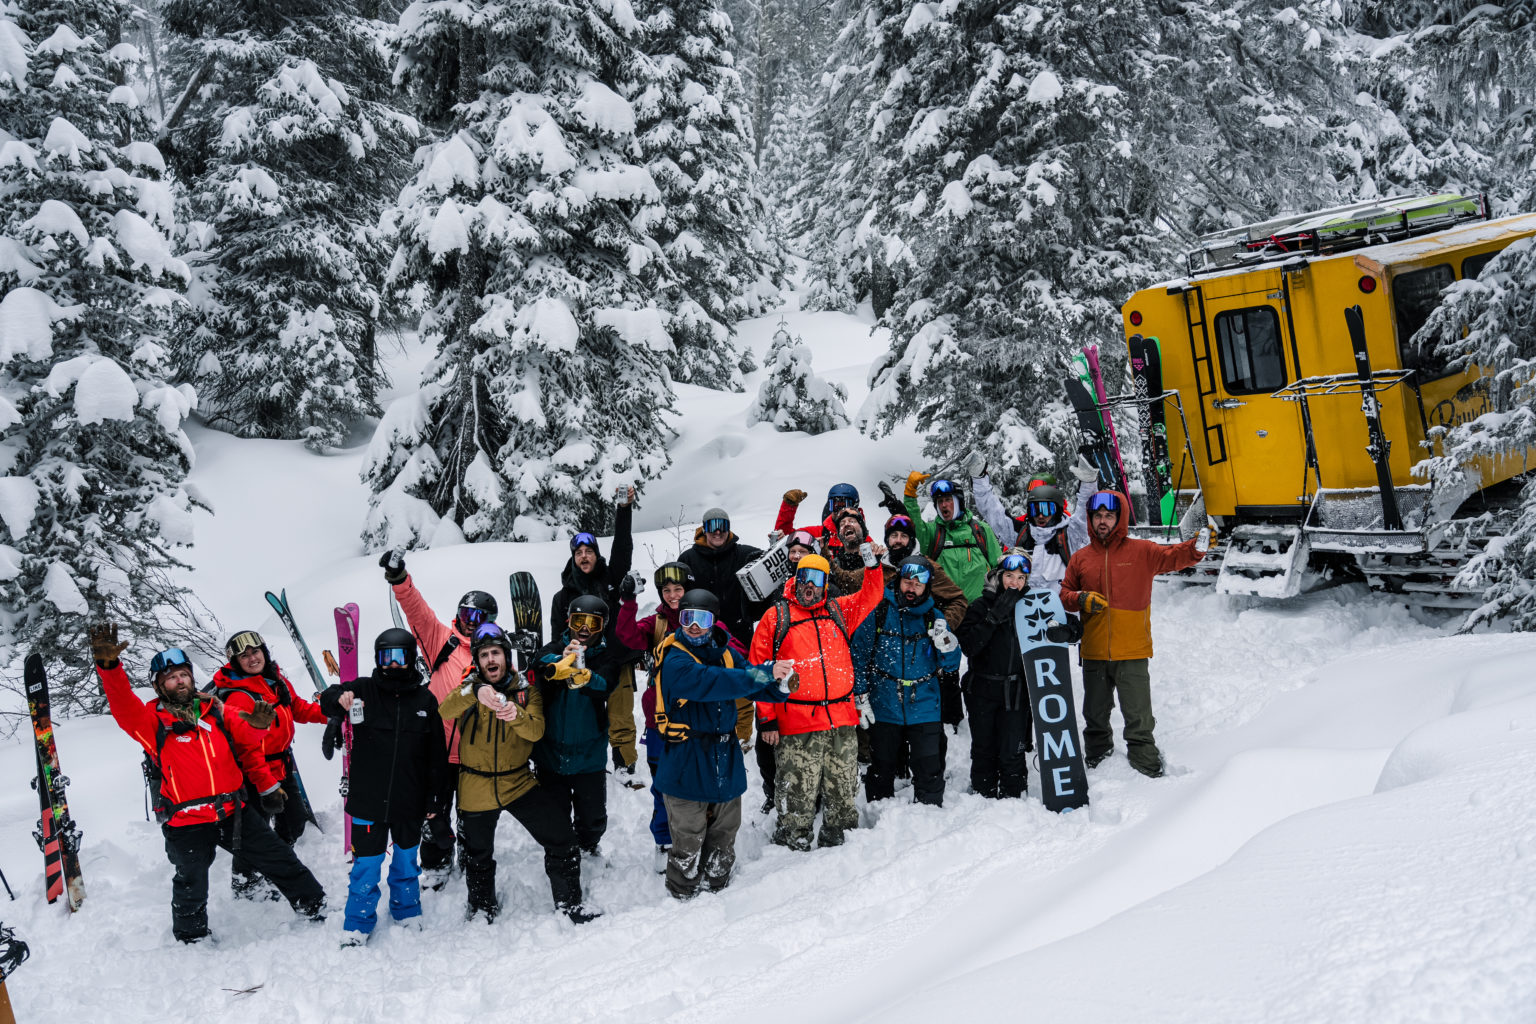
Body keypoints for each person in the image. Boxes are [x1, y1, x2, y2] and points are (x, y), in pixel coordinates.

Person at [89, 625, 325, 944]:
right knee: (191, 883)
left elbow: (246, 738)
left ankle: (315, 906)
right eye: (171, 678)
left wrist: (257, 726)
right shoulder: (150, 723)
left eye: (183, 674)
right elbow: (122, 704)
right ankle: (192, 937)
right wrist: (110, 669)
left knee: (280, 858)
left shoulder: (213, 711)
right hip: (186, 822)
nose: (180, 680)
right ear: (160, 686)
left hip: (233, 812)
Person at [438, 621, 596, 923]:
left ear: (506, 656)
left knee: (561, 838)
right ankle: (482, 908)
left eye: (495, 653)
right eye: (484, 656)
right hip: (475, 784)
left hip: (517, 781)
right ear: (477, 661)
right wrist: (476, 692)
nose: (490, 661)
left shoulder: (525, 690)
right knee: (477, 854)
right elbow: (445, 711)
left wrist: (515, 715)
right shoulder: (468, 688)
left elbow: (536, 731)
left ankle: (569, 905)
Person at [651, 590, 800, 898]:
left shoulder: (727, 652)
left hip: (724, 755)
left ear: (713, 621)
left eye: (701, 619)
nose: (693, 626)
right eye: (687, 618)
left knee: (724, 831)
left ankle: (719, 889)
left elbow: (746, 678)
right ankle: (681, 894)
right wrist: (764, 672)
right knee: (688, 836)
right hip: (687, 757)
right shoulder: (675, 658)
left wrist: (779, 684)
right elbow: (711, 681)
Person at [1060, 491, 1211, 777]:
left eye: (1108, 516)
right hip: (1093, 651)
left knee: (1138, 716)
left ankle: (1146, 767)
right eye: (1097, 516)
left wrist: (1196, 548)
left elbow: (1173, 557)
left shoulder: (1141, 551)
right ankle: (1097, 762)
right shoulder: (1081, 558)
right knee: (1094, 715)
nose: (1102, 521)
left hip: (1132, 651)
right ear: (1091, 520)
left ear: (1119, 519)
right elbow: (1065, 593)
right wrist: (1079, 598)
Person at [318, 628, 447, 945]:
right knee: (366, 866)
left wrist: (436, 798)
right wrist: (338, 700)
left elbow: (436, 756)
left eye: (399, 656)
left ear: (410, 658)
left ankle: (406, 911)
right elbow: (327, 699)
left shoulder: (425, 700)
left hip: (409, 802)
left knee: (406, 863)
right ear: (377, 659)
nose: (392, 663)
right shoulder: (363, 689)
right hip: (368, 800)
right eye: (385, 656)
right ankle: (358, 923)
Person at [750, 545, 884, 850]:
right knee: (797, 790)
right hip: (797, 723)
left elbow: (870, 596)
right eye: (805, 577)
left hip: (840, 719)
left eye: (818, 578)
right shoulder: (776, 617)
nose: (810, 585)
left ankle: (841, 840)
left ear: (826, 583)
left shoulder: (838, 611)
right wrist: (767, 719)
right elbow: (759, 671)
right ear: (796, 578)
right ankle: (791, 843)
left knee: (842, 788)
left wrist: (873, 566)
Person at [379, 548, 493, 884]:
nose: (470, 624)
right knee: (433, 813)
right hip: (438, 749)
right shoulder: (440, 639)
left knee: (472, 815)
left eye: (478, 619)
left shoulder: (493, 651)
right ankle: (435, 865)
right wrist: (399, 577)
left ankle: (475, 860)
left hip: (476, 753)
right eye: (466, 616)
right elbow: (415, 610)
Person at [209, 629, 328, 900]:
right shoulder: (238, 695)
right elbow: (247, 748)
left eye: (256, 652)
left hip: (282, 766)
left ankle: (275, 867)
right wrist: (266, 787)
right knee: (255, 834)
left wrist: (330, 714)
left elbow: (296, 708)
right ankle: (245, 881)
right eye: (245, 656)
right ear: (235, 662)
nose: (252, 659)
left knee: (294, 822)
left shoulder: (274, 680)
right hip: (253, 774)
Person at [852, 556, 963, 806]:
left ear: (927, 587)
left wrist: (945, 642)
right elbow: (858, 655)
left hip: (924, 704)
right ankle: (878, 819)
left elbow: (951, 664)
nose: (911, 588)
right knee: (882, 769)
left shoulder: (934, 617)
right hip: (885, 703)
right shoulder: (879, 611)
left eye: (918, 584)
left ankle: (930, 821)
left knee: (929, 768)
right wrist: (861, 696)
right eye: (907, 581)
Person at [552, 488, 641, 785]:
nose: (584, 556)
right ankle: (590, 765)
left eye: (589, 551)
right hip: (581, 663)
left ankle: (624, 763)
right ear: (573, 558)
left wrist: (623, 509)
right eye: (578, 552)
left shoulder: (611, 577)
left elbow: (623, 547)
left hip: (615, 657)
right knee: (586, 716)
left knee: (620, 715)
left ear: (596, 554)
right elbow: (556, 633)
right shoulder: (564, 595)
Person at [532, 595, 620, 857]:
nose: (584, 629)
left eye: (593, 623)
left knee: (592, 817)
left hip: (588, 755)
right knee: (554, 813)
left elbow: (605, 684)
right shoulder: (556, 646)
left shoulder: (606, 657)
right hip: (551, 754)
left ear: (602, 626)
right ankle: (561, 849)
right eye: (579, 621)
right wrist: (559, 663)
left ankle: (588, 844)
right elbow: (539, 659)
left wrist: (586, 676)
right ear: (569, 621)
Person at [956, 553, 1038, 798]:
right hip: (983, 689)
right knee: (983, 748)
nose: (1015, 582)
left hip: (1015, 691)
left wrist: (1067, 631)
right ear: (999, 576)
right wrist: (992, 619)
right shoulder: (980, 606)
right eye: (1010, 576)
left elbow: (1061, 626)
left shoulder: (1031, 606)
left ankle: (1014, 796)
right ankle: (983, 793)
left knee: (1012, 749)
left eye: (1021, 578)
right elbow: (969, 646)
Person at [966, 452, 1098, 589]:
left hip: (1064, 607)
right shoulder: (1022, 534)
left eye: (1046, 509)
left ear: (1057, 510)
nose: (1040, 515)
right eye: (1035, 510)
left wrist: (1089, 482)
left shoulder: (1070, 535)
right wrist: (979, 478)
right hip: (1028, 608)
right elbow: (993, 513)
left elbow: (1086, 511)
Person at [902, 472, 1003, 602]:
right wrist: (910, 495)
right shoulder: (933, 533)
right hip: (947, 612)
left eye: (948, 500)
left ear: (958, 502)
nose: (943, 505)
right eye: (940, 501)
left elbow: (999, 568)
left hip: (979, 612)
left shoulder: (981, 530)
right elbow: (914, 525)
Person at [676, 507, 765, 646]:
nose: (718, 532)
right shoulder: (688, 559)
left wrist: (780, 539)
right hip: (700, 632)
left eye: (723, 526)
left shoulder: (744, 554)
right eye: (712, 526)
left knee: (740, 667)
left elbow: (774, 560)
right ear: (704, 529)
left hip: (740, 633)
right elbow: (676, 595)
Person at [881, 514, 967, 629]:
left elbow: (958, 600)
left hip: (919, 640)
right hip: (885, 639)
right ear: (887, 540)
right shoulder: (878, 568)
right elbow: (850, 582)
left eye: (904, 536)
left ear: (911, 540)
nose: (898, 540)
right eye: (894, 535)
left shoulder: (927, 567)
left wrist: (942, 629)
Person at [773, 483, 861, 542]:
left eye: (844, 506)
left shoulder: (862, 538)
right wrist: (789, 506)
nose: (839, 511)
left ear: (854, 507)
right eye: (834, 506)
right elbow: (786, 538)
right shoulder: (819, 533)